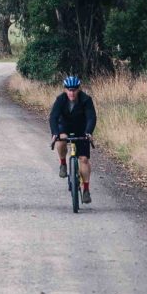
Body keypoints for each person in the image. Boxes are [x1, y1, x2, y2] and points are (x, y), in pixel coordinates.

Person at [49, 74, 97, 203]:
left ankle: (86, 189)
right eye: (69, 89)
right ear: (65, 89)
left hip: (81, 128)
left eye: (74, 89)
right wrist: (55, 133)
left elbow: (91, 117)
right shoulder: (60, 99)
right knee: (61, 140)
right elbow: (53, 117)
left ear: (79, 89)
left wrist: (88, 132)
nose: (72, 92)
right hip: (64, 126)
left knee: (84, 159)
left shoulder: (86, 99)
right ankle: (63, 164)